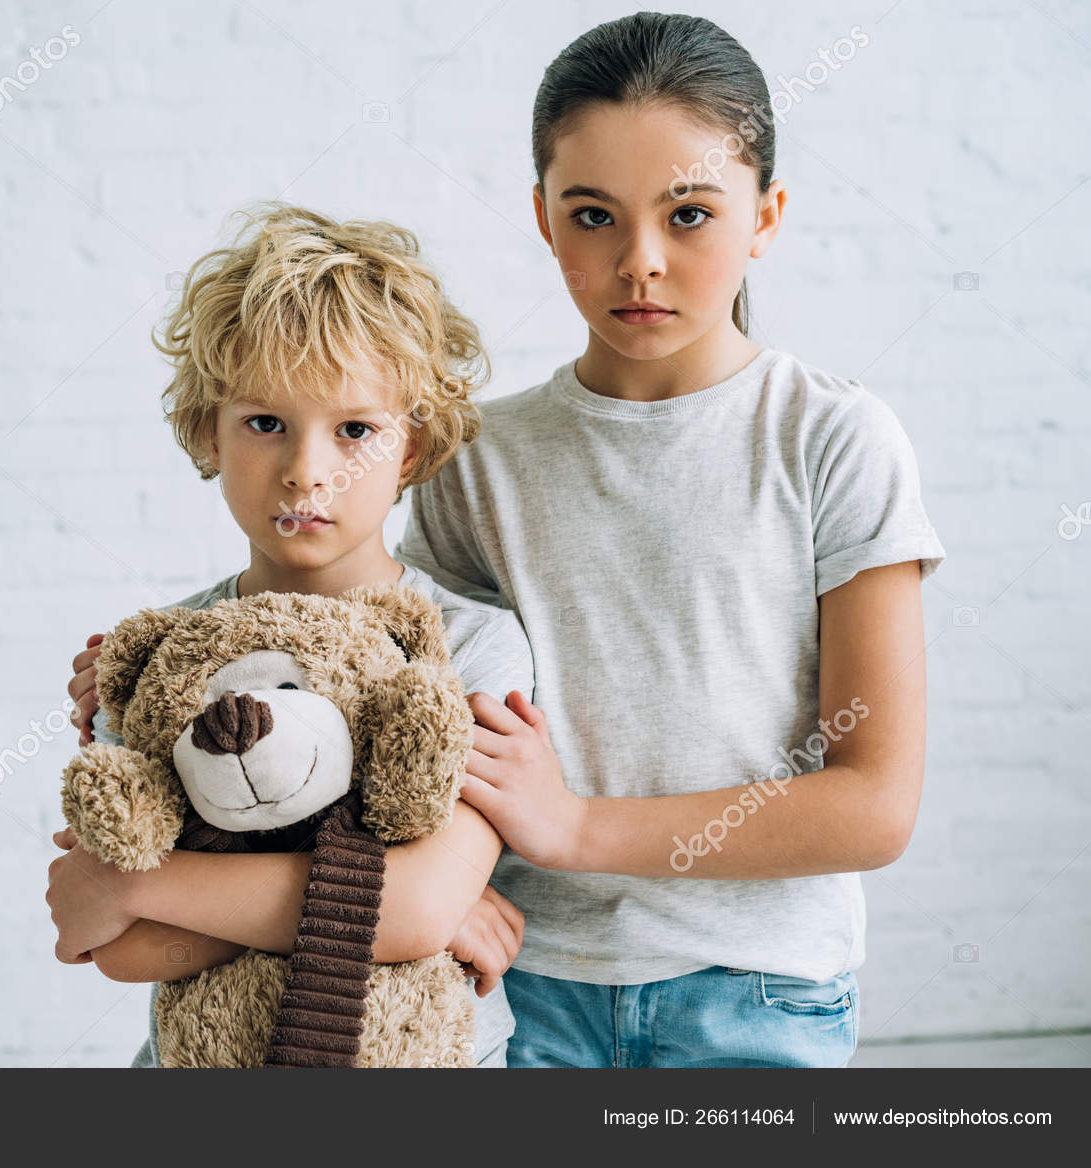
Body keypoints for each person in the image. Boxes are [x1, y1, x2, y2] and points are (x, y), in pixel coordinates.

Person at [390, 12, 946, 1067]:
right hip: (516, 989)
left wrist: (580, 828)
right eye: (592, 215)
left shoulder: (832, 441)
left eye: (688, 213)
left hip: (756, 998)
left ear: (765, 216)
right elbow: (403, 719)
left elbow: (874, 801)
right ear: (545, 221)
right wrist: (422, 902)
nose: (638, 261)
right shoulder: (474, 460)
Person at [47, 202, 535, 1067]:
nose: (308, 469)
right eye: (265, 422)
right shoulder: (164, 656)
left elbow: (419, 909)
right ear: (209, 430)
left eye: (355, 428)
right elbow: (119, 949)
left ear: (412, 449)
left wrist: (140, 884)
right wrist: (381, 916)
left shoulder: (472, 644)